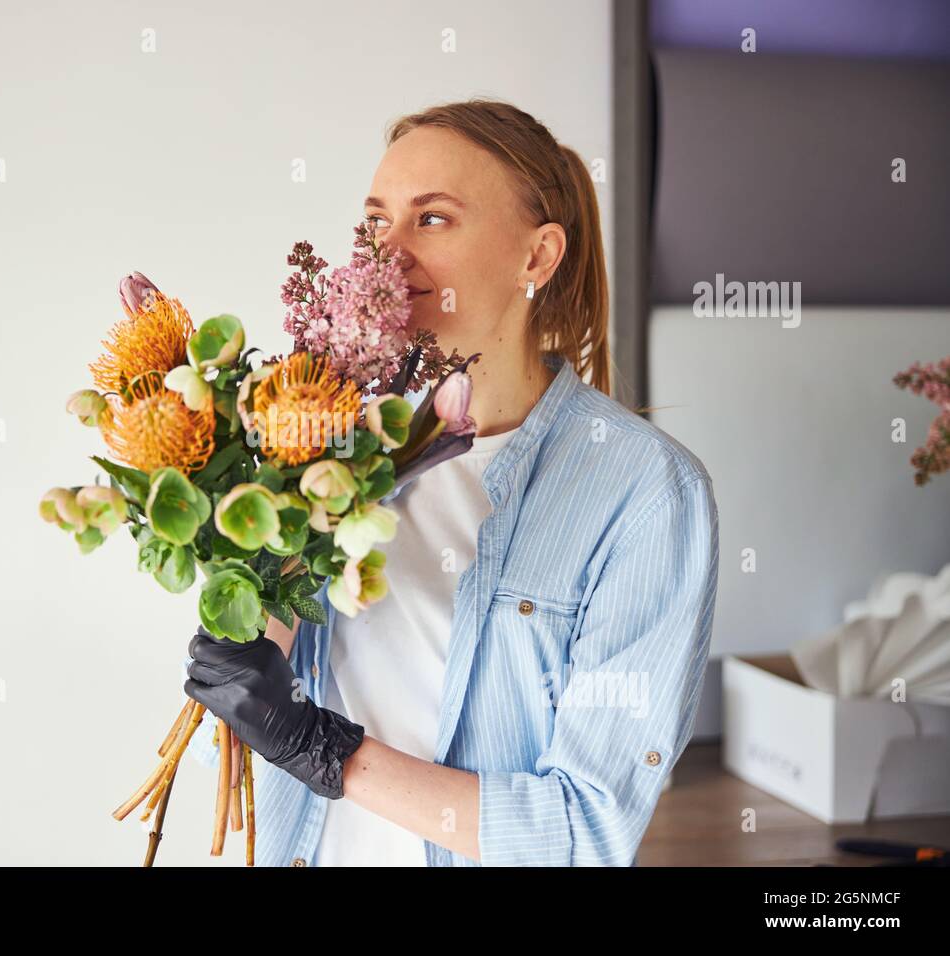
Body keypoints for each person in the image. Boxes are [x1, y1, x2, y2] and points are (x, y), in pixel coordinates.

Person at [183, 98, 719, 866]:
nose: (385, 254)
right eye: (376, 222)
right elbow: (240, 707)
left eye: (431, 219)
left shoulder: (644, 496)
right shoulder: (326, 436)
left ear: (536, 257)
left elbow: (582, 834)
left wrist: (323, 749)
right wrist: (244, 623)